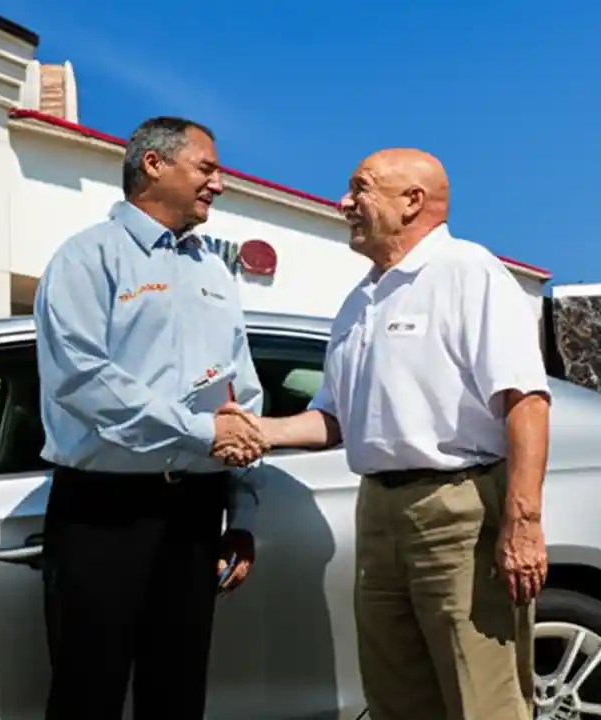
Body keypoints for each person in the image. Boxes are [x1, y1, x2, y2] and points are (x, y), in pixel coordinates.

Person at [221, 148, 549, 720]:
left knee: (483, 698)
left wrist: (522, 523)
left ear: (412, 202)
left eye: (360, 188)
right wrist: (257, 429)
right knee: (395, 696)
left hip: (458, 511)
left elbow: (525, 401)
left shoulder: (467, 271)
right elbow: (334, 418)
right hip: (376, 512)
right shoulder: (359, 301)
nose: (344, 202)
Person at [32, 115, 269, 720]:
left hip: (196, 510)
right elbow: (81, 379)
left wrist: (238, 507)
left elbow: (241, 392)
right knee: (88, 693)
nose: (219, 184)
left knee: (178, 693)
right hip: (104, 509)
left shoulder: (214, 271)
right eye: (206, 168)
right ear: (154, 164)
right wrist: (202, 433)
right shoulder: (88, 258)